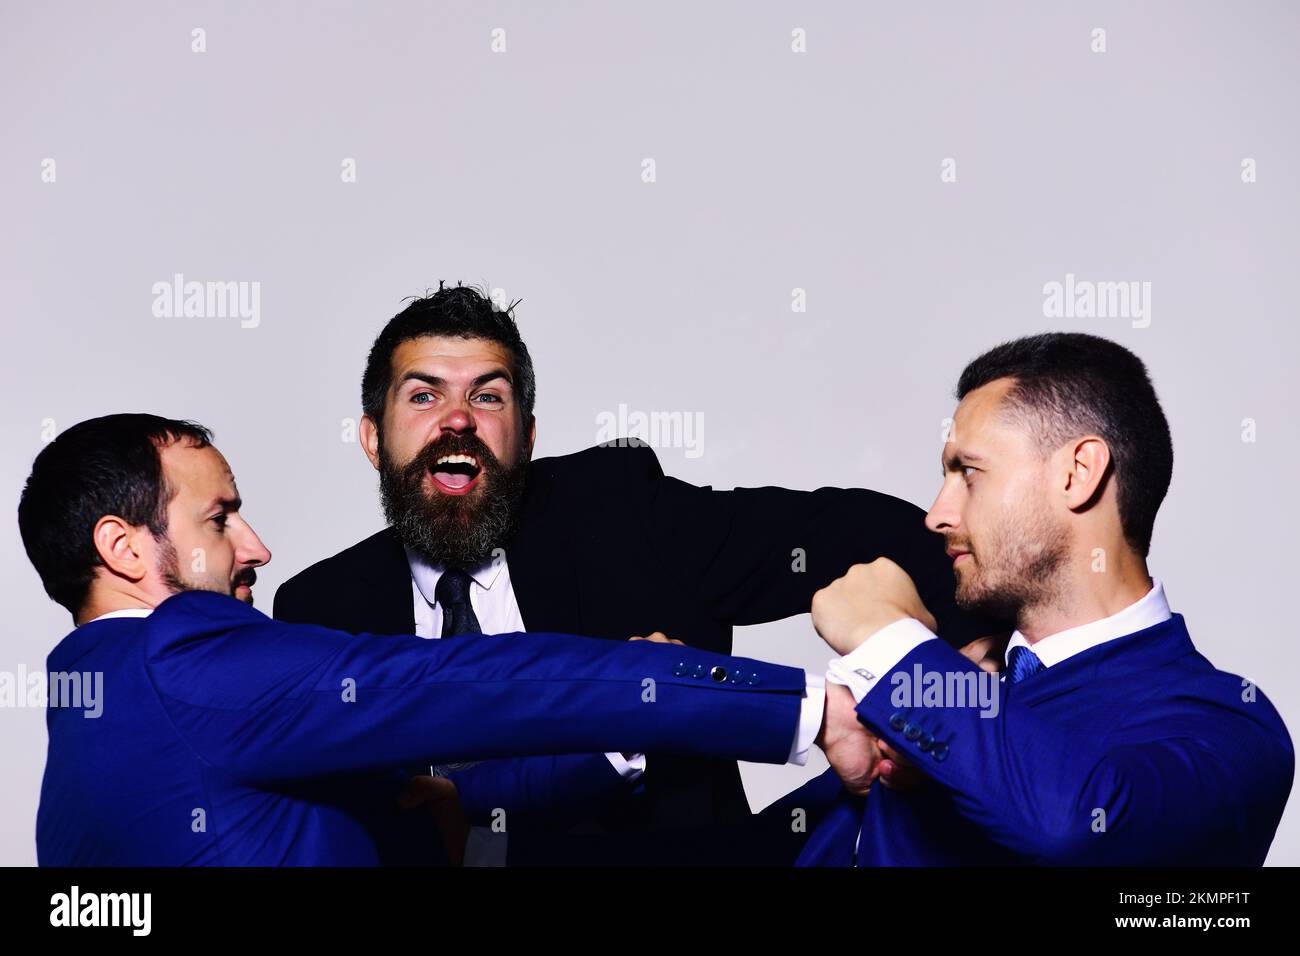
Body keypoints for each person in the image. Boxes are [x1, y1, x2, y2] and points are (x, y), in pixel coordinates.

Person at [274, 283, 1002, 864]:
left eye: (487, 396)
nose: (457, 419)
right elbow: (372, 816)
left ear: (527, 437)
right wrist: (618, 726)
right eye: (424, 395)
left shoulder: (621, 515)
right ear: (373, 437)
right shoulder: (320, 607)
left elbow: (851, 531)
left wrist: (974, 649)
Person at [19, 414, 872, 866]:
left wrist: (625, 739)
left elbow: (430, 793)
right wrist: (803, 707)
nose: (257, 548)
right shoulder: (186, 661)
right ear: (123, 547)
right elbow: (476, 683)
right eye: (220, 517)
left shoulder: (87, 734)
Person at [799, 333, 1294, 865]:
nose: (937, 515)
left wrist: (891, 643)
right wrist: (816, 719)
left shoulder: (1232, 729)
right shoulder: (948, 698)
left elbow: (1078, 826)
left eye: (968, 473)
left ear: (1078, 474)